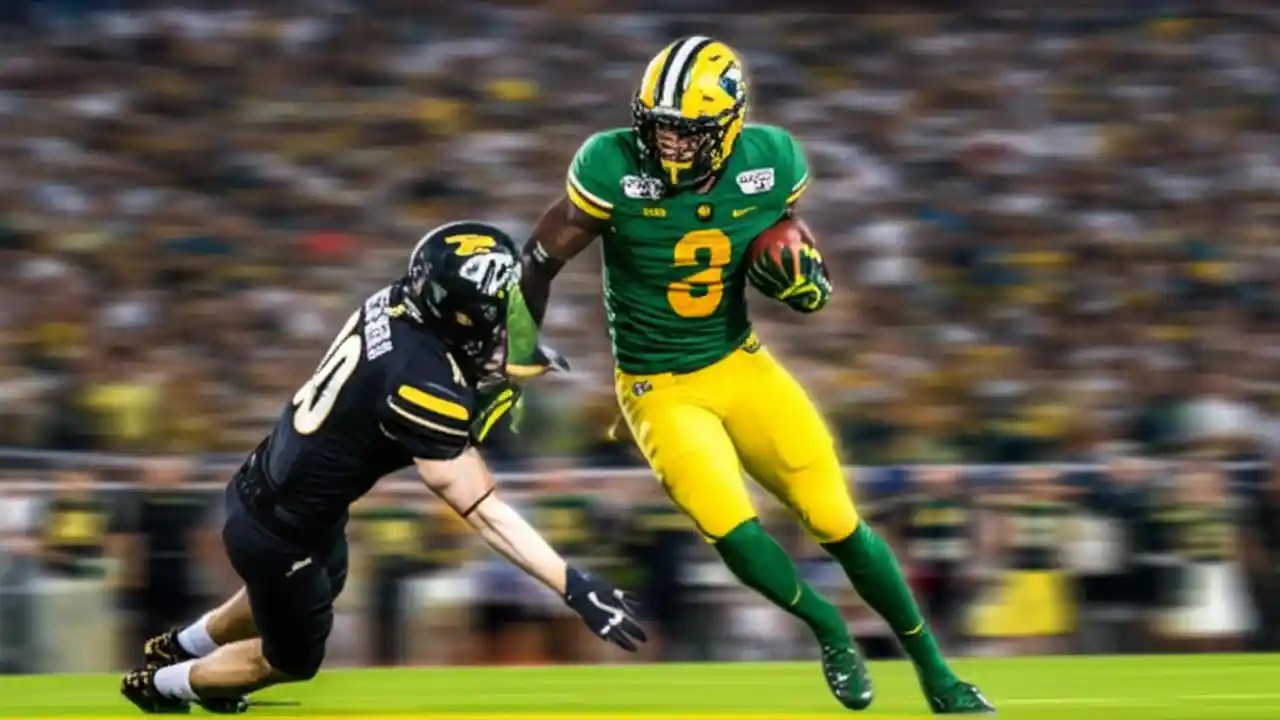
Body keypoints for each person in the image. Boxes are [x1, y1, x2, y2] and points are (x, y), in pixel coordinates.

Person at [518, 36, 991, 713]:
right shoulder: (609, 164)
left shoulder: (772, 160)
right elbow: (537, 259)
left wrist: (809, 285)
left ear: (729, 126)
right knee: (731, 525)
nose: (670, 144)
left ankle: (937, 674)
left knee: (837, 520)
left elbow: (788, 243)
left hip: (740, 363)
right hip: (659, 386)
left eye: (687, 131)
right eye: (659, 127)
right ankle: (830, 631)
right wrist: (514, 350)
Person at [121, 221, 645, 714]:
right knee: (291, 659)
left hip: (277, 487)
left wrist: (499, 369)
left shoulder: (397, 299)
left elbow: (439, 359)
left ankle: (179, 644)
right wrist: (572, 584)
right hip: (281, 529)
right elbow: (484, 510)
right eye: (495, 309)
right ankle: (165, 685)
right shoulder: (420, 384)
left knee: (301, 591)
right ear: (460, 312)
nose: (504, 318)